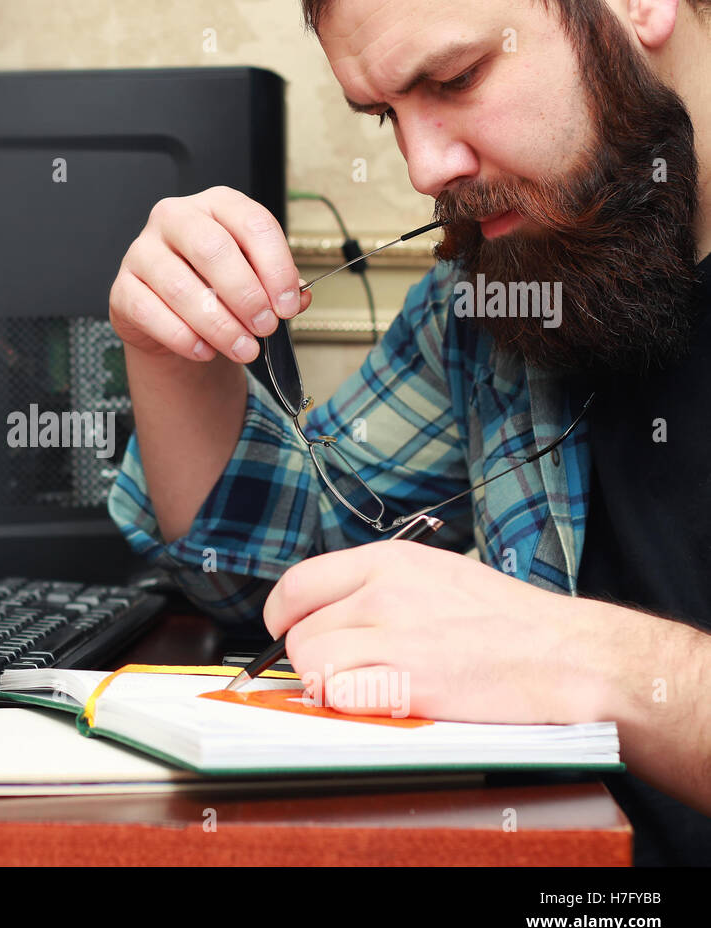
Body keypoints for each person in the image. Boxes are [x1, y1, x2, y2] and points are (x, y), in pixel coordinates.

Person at [105, 0, 711, 865]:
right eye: (387, 114)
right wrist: (175, 351)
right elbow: (274, 582)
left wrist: (587, 662)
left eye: (457, 77)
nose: (424, 168)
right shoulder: (500, 291)